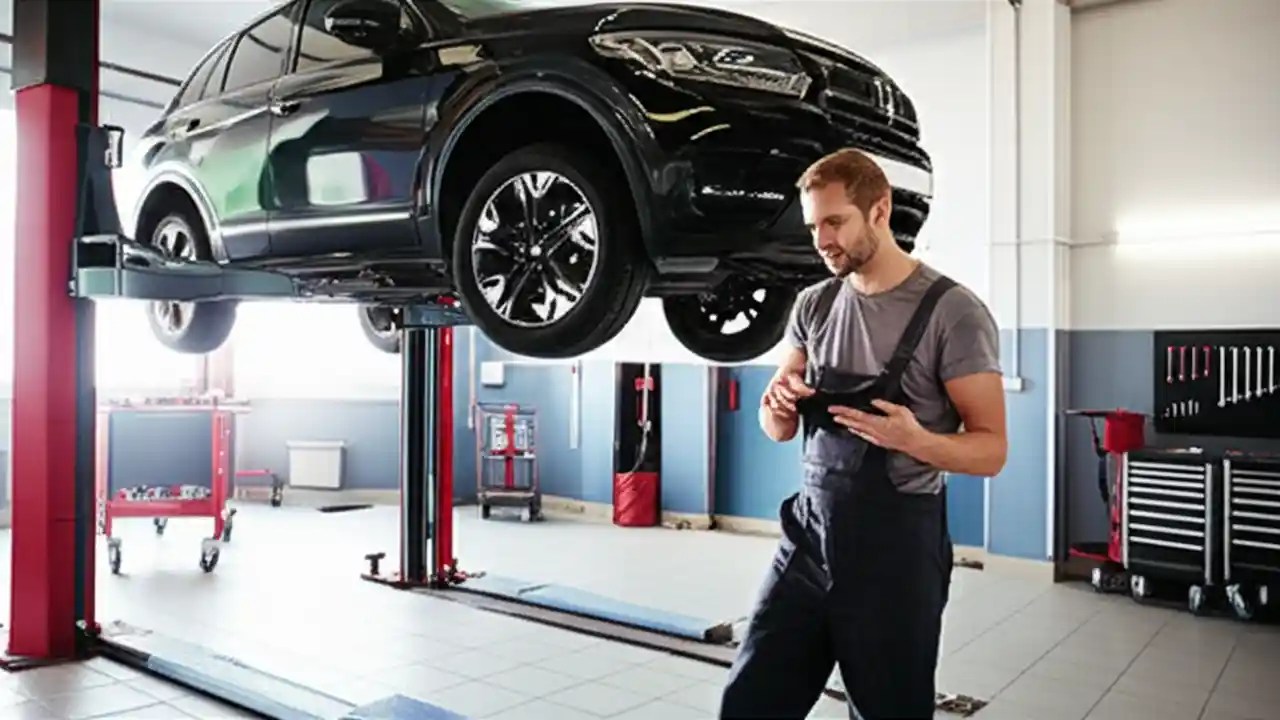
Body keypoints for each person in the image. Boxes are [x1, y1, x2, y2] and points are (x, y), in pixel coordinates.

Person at [719, 148, 1008, 720]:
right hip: (808, 540)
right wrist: (775, 404)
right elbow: (776, 427)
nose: (822, 240)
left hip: (896, 556)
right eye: (813, 226)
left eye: (835, 222)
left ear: (880, 211)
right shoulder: (814, 305)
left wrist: (915, 439)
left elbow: (992, 448)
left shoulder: (953, 313)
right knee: (748, 704)